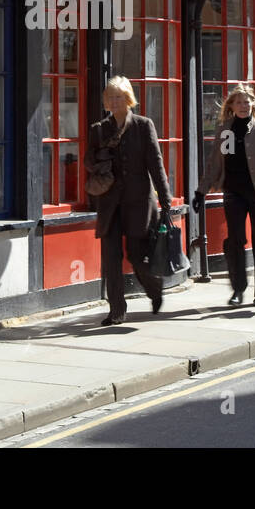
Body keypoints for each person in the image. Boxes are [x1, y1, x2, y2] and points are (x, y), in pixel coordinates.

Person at [84, 76, 172, 326]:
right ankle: (117, 311)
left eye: (119, 96)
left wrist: (165, 200)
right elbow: (88, 162)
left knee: (137, 256)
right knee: (111, 258)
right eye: (110, 97)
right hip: (109, 203)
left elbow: (156, 164)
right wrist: (101, 157)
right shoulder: (98, 129)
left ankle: (154, 290)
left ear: (128, 99)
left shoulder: (144, 126)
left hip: (139, 203)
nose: (114, 101)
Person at [192, 84, 255, 307]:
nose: (243, 106)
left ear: (253, 105)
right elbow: (214, 165)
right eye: (238, 102)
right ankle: (238, 289)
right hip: (234, 193)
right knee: (234, 242)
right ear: (231, 106)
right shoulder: (225, 130)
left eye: (247, 102)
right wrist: (201, 191)